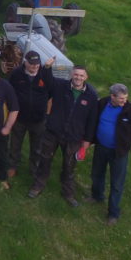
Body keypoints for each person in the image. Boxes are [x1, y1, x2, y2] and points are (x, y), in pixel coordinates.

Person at [28, 65, 98, 207]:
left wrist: (87, 140)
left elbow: (92, 120)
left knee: (69, 166)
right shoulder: (60, 86)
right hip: (53, 132)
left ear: (86, 77)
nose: (78, 77)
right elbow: (47, 81)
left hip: (74, 136)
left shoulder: (91, 95)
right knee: (44, 160)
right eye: (76, 74)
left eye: (81, 75)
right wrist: (47, 68)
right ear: (71, 75)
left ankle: (68, 193)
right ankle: (38, 185)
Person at [86, 84, 131, 225]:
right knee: (97, 173)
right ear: (112, 96)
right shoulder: (103, 103)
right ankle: (97, 196)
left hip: (119, 152)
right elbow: (94, 119)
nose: (125, 101)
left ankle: (113, 213)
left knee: (117, 183)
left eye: (126, 97)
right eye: (121, 98)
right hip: (101, 147)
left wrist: (125, 141)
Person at [7, 51, 55, 179]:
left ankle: (34, 169)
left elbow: (51, 90)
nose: (35, 66)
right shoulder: (17, 74)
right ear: (25, 62)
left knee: (37, 147)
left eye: (37, 63)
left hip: (38, 119)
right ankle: (12, 166)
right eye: (32, 63)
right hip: (19, 117)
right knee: (15, 144)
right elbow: (10, 91)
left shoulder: (44, 73)